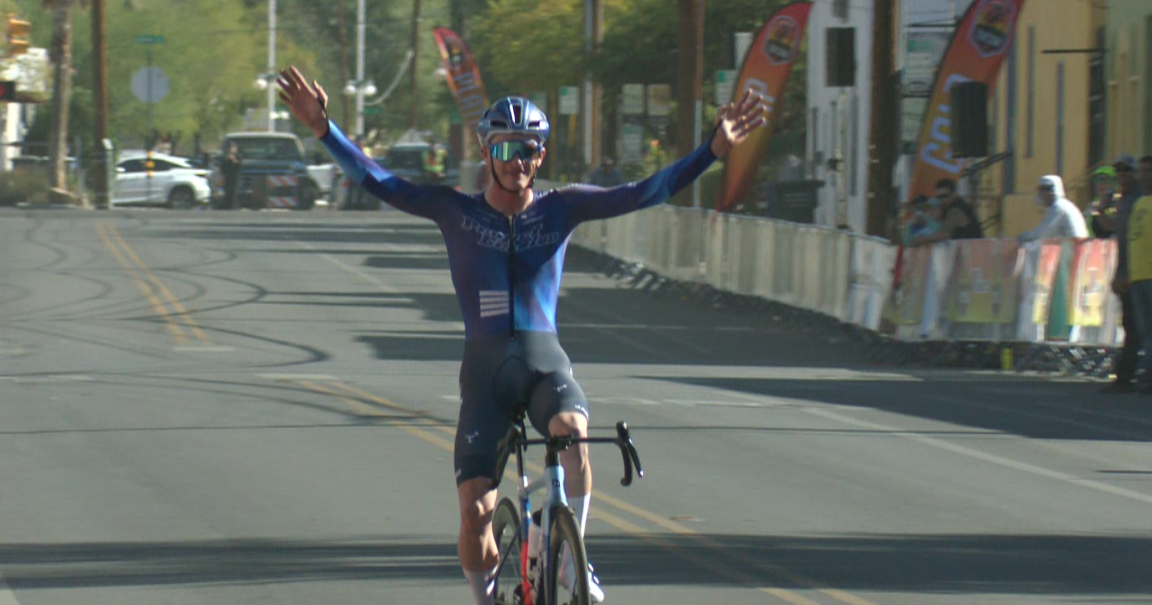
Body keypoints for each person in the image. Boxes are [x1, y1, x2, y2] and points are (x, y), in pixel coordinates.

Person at [276, 65, 766, 604]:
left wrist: (713, 148)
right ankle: (485, 596)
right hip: (485, 375)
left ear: (542, 155)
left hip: (542, 362)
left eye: (530, 150)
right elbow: (379, 181)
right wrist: (325, 130)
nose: (519, 162)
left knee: (573, 434)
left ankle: (568, 561)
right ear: (487, 153)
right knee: (474, 513)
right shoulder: (455, 212)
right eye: (507, 150)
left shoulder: (562, 208)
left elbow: (645, 191)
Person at [1102, 154, 1145, 394]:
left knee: (1136, 327)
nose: (1122, 175)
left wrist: (1125, 273)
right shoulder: (1122, 199)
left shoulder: (1139, 198)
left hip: (1137, 269)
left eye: (1126, 171)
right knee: (1131, 326)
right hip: (1125, 267)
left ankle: (1127, 376)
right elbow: (1113, 230)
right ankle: (1126, 376)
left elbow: (1133, 238)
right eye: (1119, 171)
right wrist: (1102, 209)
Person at [1126, 156, 1152, 394]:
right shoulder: (1139, 204)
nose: (1144, 176)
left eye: (1148, 172)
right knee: (1144, 332)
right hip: (1138, 276)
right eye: (1142, 172)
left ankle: (1147, 379)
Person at [1016, 175, 1089, 243]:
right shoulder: (1065, 204)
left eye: (1041, 191)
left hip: (1073, 249)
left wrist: (1018, 238)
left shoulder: (1058, 207)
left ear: (1049, 192)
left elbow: (1041, 234)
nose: (1040, 196)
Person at [916, 178, 984, 243]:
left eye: (945, 196)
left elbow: (943, 235)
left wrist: (922, 239)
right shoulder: (946, 208)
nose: (942, 200)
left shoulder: (957, 210)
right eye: (939, 197)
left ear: (954, 194)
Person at [1085, 165, 1119, 237]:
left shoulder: (1117, 202)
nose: (1101, 184)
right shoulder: (1093, 204)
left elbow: (1110, 227)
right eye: (1098, 180)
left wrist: (1101, 210)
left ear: (1114, 183)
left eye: (1106, 180)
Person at [222, 142, 242, 210]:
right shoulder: (226, 156)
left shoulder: (238, 156)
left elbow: (239, 166)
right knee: (228, 192)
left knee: (235, 193)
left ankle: (234, 206)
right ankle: (227, 206)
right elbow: (223, 167)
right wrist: (228, 159)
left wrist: (234, 160)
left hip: (235, 177)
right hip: (228, 177)